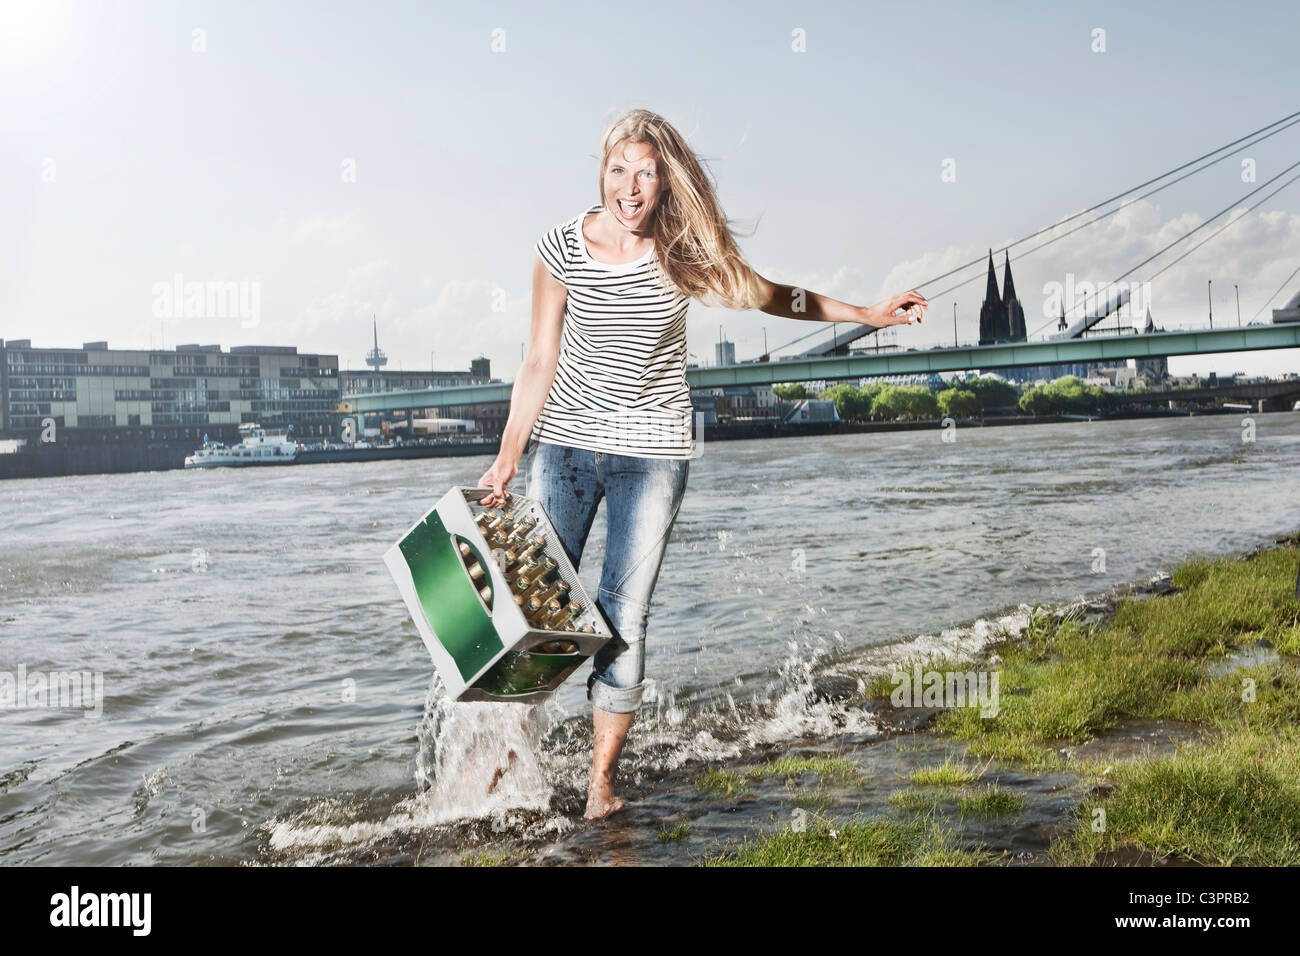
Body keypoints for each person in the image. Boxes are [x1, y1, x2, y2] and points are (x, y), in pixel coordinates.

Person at [476, 108, 927, 820]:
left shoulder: (685, 252)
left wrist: (867, 315)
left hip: (651, 457)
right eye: (619, 170)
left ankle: (599, 786)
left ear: (665, 181)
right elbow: (538, 360)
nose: (631, 186)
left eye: (646, 173)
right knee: (538, 613)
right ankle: (503, 765)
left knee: (623, 616)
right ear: (602, 171)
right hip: (563, 448)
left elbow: (777, 296)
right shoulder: (560, 248)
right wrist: (506, 459)